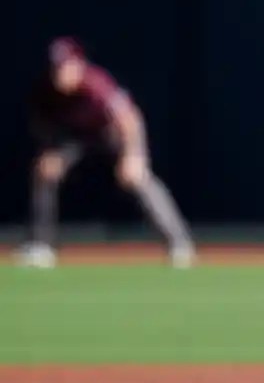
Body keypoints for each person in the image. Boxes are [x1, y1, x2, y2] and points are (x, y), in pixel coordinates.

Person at [15, 37, 196, 269]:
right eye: (56, 67)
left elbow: (130, 119)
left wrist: (134, 156)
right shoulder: (45, 90)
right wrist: (51, 153)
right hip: (75, 140)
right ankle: (41, 247)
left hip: (111, 135)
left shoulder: (97, 84)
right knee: (44, 170)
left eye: (66, 66)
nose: (60, 73)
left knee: (138, 177)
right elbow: (43, 127)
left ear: (79, 64)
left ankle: (179, 244)